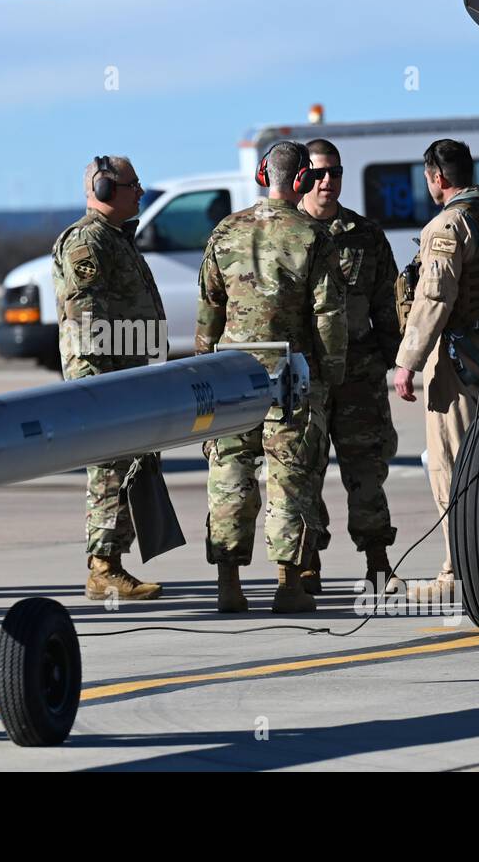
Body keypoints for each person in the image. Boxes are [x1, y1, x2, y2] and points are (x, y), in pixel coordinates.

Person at [197, 141, 347, 613]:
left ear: (265, 173)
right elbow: (328, 314)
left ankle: (229, 584)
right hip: (291, 377)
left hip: (229, 374)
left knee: (229, 475)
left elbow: (209, 310)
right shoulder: (312, 236)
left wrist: (205, 364)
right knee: (289, 478)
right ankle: (288, 583)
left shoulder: (225, 231)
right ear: (301, 179)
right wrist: (331, 371)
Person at [393, 139, 479, 600]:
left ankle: (457, 572)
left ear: (437, 178)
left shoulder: (447, 225)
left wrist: (407, 360)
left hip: (457, 361)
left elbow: (434, 298)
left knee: (451, 464)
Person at [52, 155, 166, 601]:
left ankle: (112, 562)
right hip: (106, 378)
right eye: (132, 185)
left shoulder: (116, 239)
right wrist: (100, 385)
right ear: (103, 190)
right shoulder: (88, 241)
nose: (139, 192)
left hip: (127, 374)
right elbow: (86, 317)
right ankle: (103, 568)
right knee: (107, 469)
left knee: (127, 466)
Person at [298, 139, 403, 595]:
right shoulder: (288, 233)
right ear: (301, 176)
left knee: (367, 469)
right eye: (319, 173)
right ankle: (306, 562)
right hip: (307, 374)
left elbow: (388, 306)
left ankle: (378, 561)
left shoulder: (365, 235)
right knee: (303, 469)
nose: (328, 181)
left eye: (336, 173)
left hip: (359, 372)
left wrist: (399, 363)